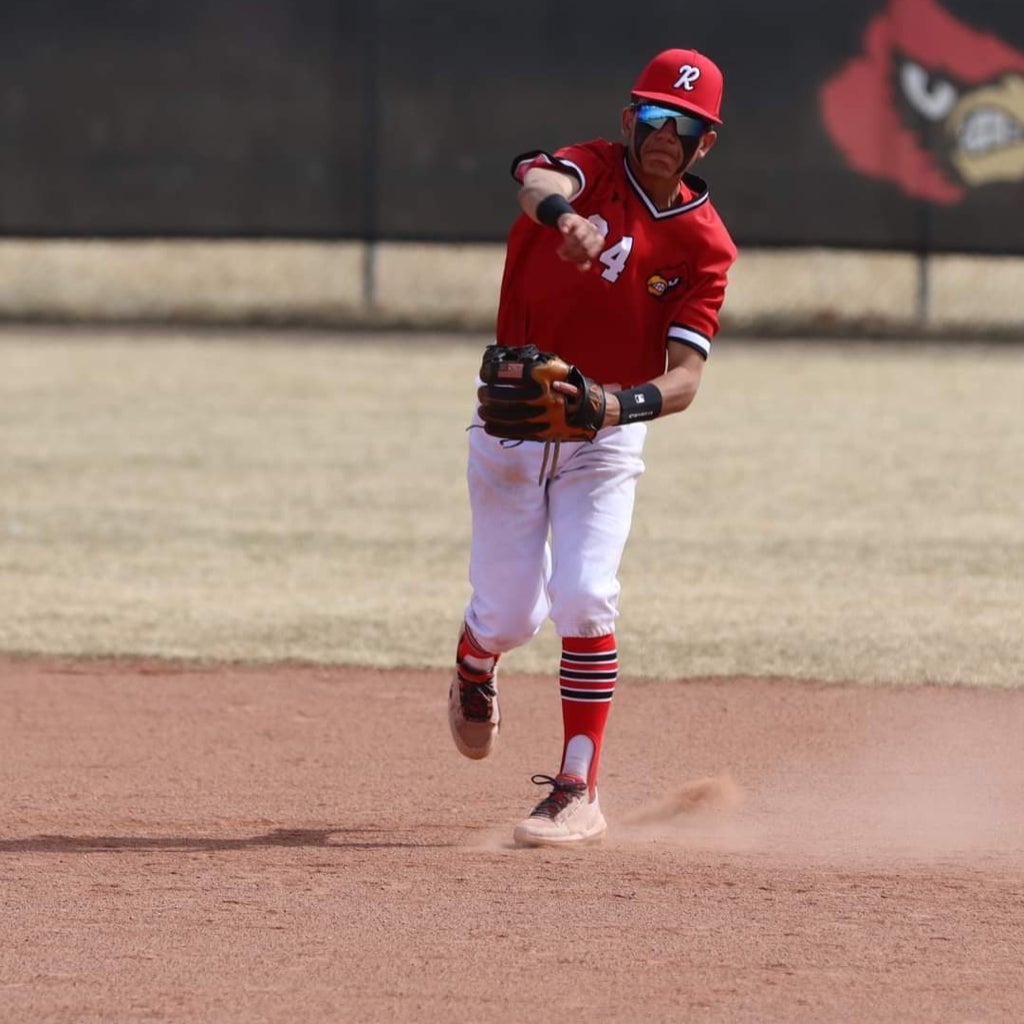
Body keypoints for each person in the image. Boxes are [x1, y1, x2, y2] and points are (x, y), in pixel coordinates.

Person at [448, 48, 738, 847]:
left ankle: (578, 788)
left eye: (685, 125)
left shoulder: (704, 247)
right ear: (628, 122)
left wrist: (617, 405)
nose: (664, 133)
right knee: (511, 617)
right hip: (513, 420)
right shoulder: (589, 167)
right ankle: (478, 660)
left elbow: (684, 379)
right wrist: (565, 218)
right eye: (653, 116)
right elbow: (536, 182)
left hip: (604, 437)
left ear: (704, 143)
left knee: (584, 596)